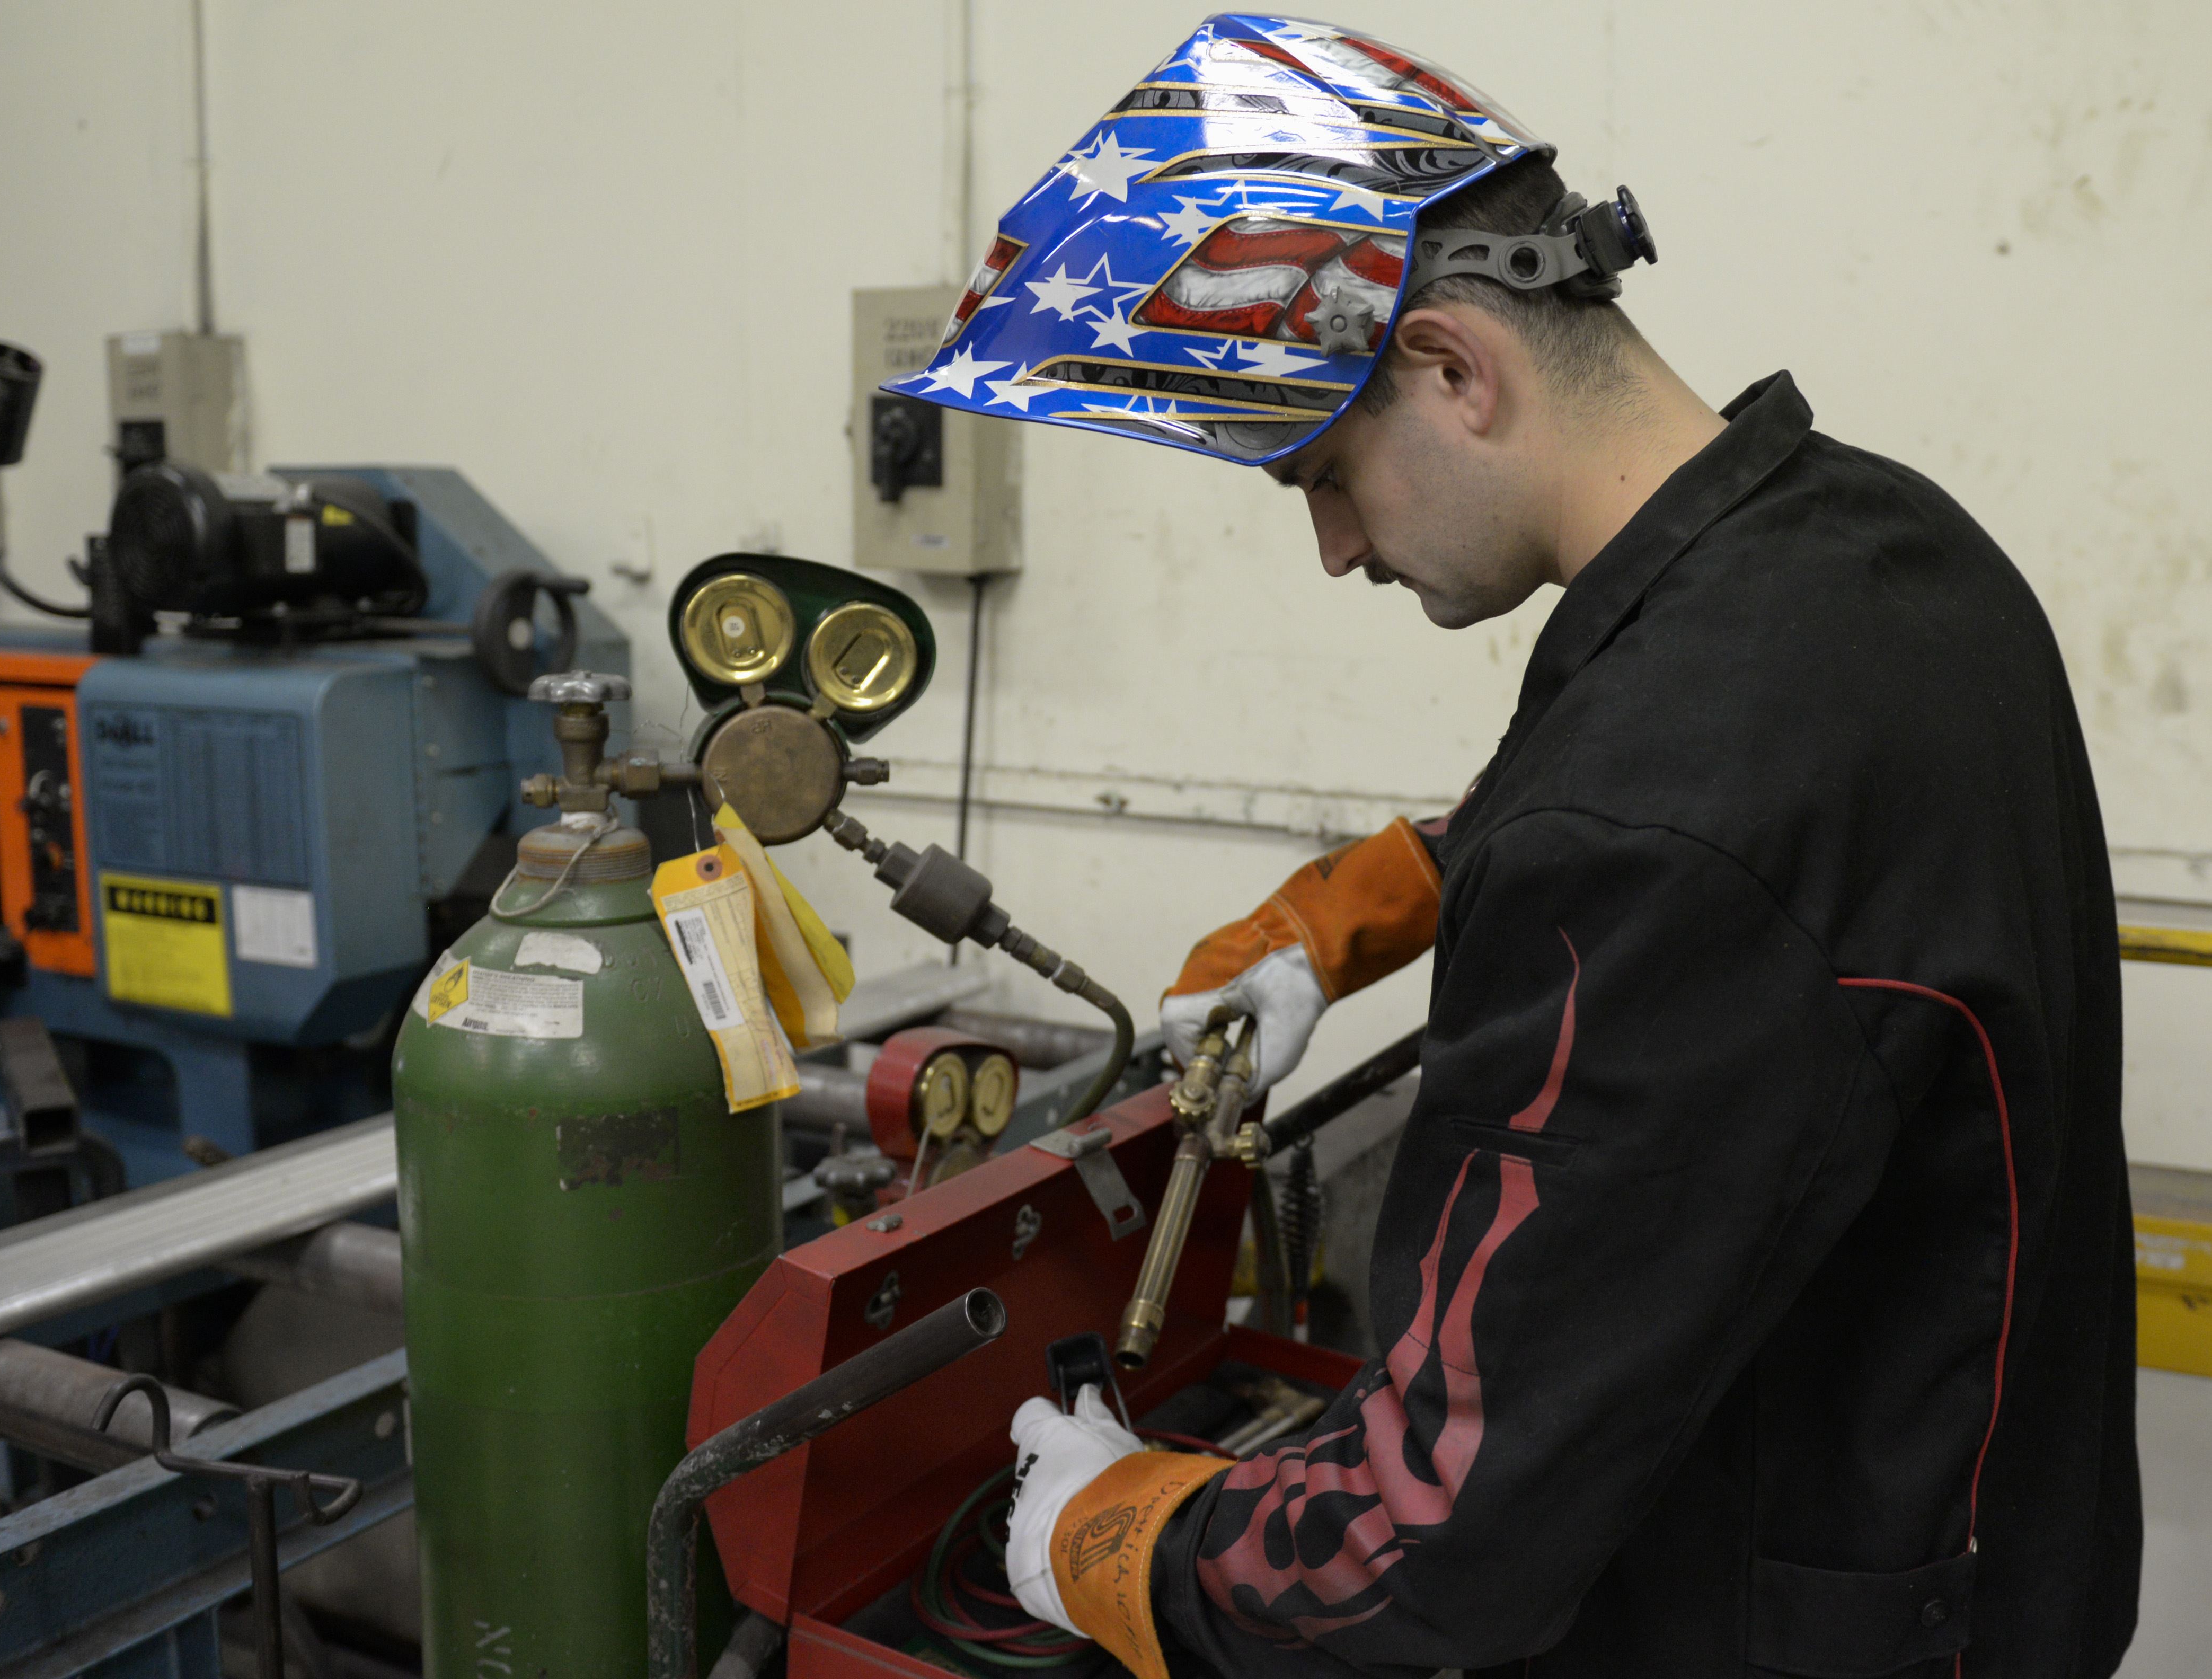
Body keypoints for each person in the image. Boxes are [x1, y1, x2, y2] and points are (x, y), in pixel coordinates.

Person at [893, 14, 2139, 1677]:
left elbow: (1421, 1554)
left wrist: (1113, 1534)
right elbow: (1731, 830)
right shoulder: (1875, 549)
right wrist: (1339, 921)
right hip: (1983, 1552)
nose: (1335, 550)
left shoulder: (1656, 820)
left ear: (1452, 369)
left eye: (1318, 474)